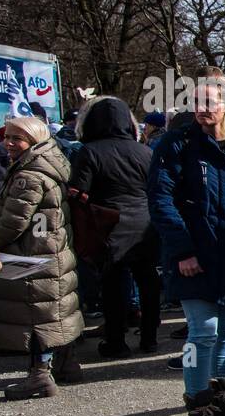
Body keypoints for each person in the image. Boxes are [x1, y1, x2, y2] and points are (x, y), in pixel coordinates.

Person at [147, 76, 225, 416]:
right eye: (196, 101)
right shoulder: (176, 145)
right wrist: (182, 251)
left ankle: (220, 396)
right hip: (194, 257)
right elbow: (161, 201)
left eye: (209, 101)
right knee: (203, 333)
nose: (201, 108)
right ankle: (198, 410)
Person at [0, 116, 85, 398]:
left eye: (16, 138)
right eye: (6, 137)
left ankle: (39, 376)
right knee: (55, 310)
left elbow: (13, 223)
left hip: (32, 256)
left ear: (33, 140)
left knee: (35, 317)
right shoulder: (50, 163)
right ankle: (67, 363)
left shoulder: (29, 176)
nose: (8, 143)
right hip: (52, 252)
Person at [69, 97, 161, 357]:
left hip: (110, 224)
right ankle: (150, 336)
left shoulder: (89, 151)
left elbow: (78, 191)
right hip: (145, 224)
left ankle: (116, 340)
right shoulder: (145, 150)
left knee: (114, 285)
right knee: (148, 280)